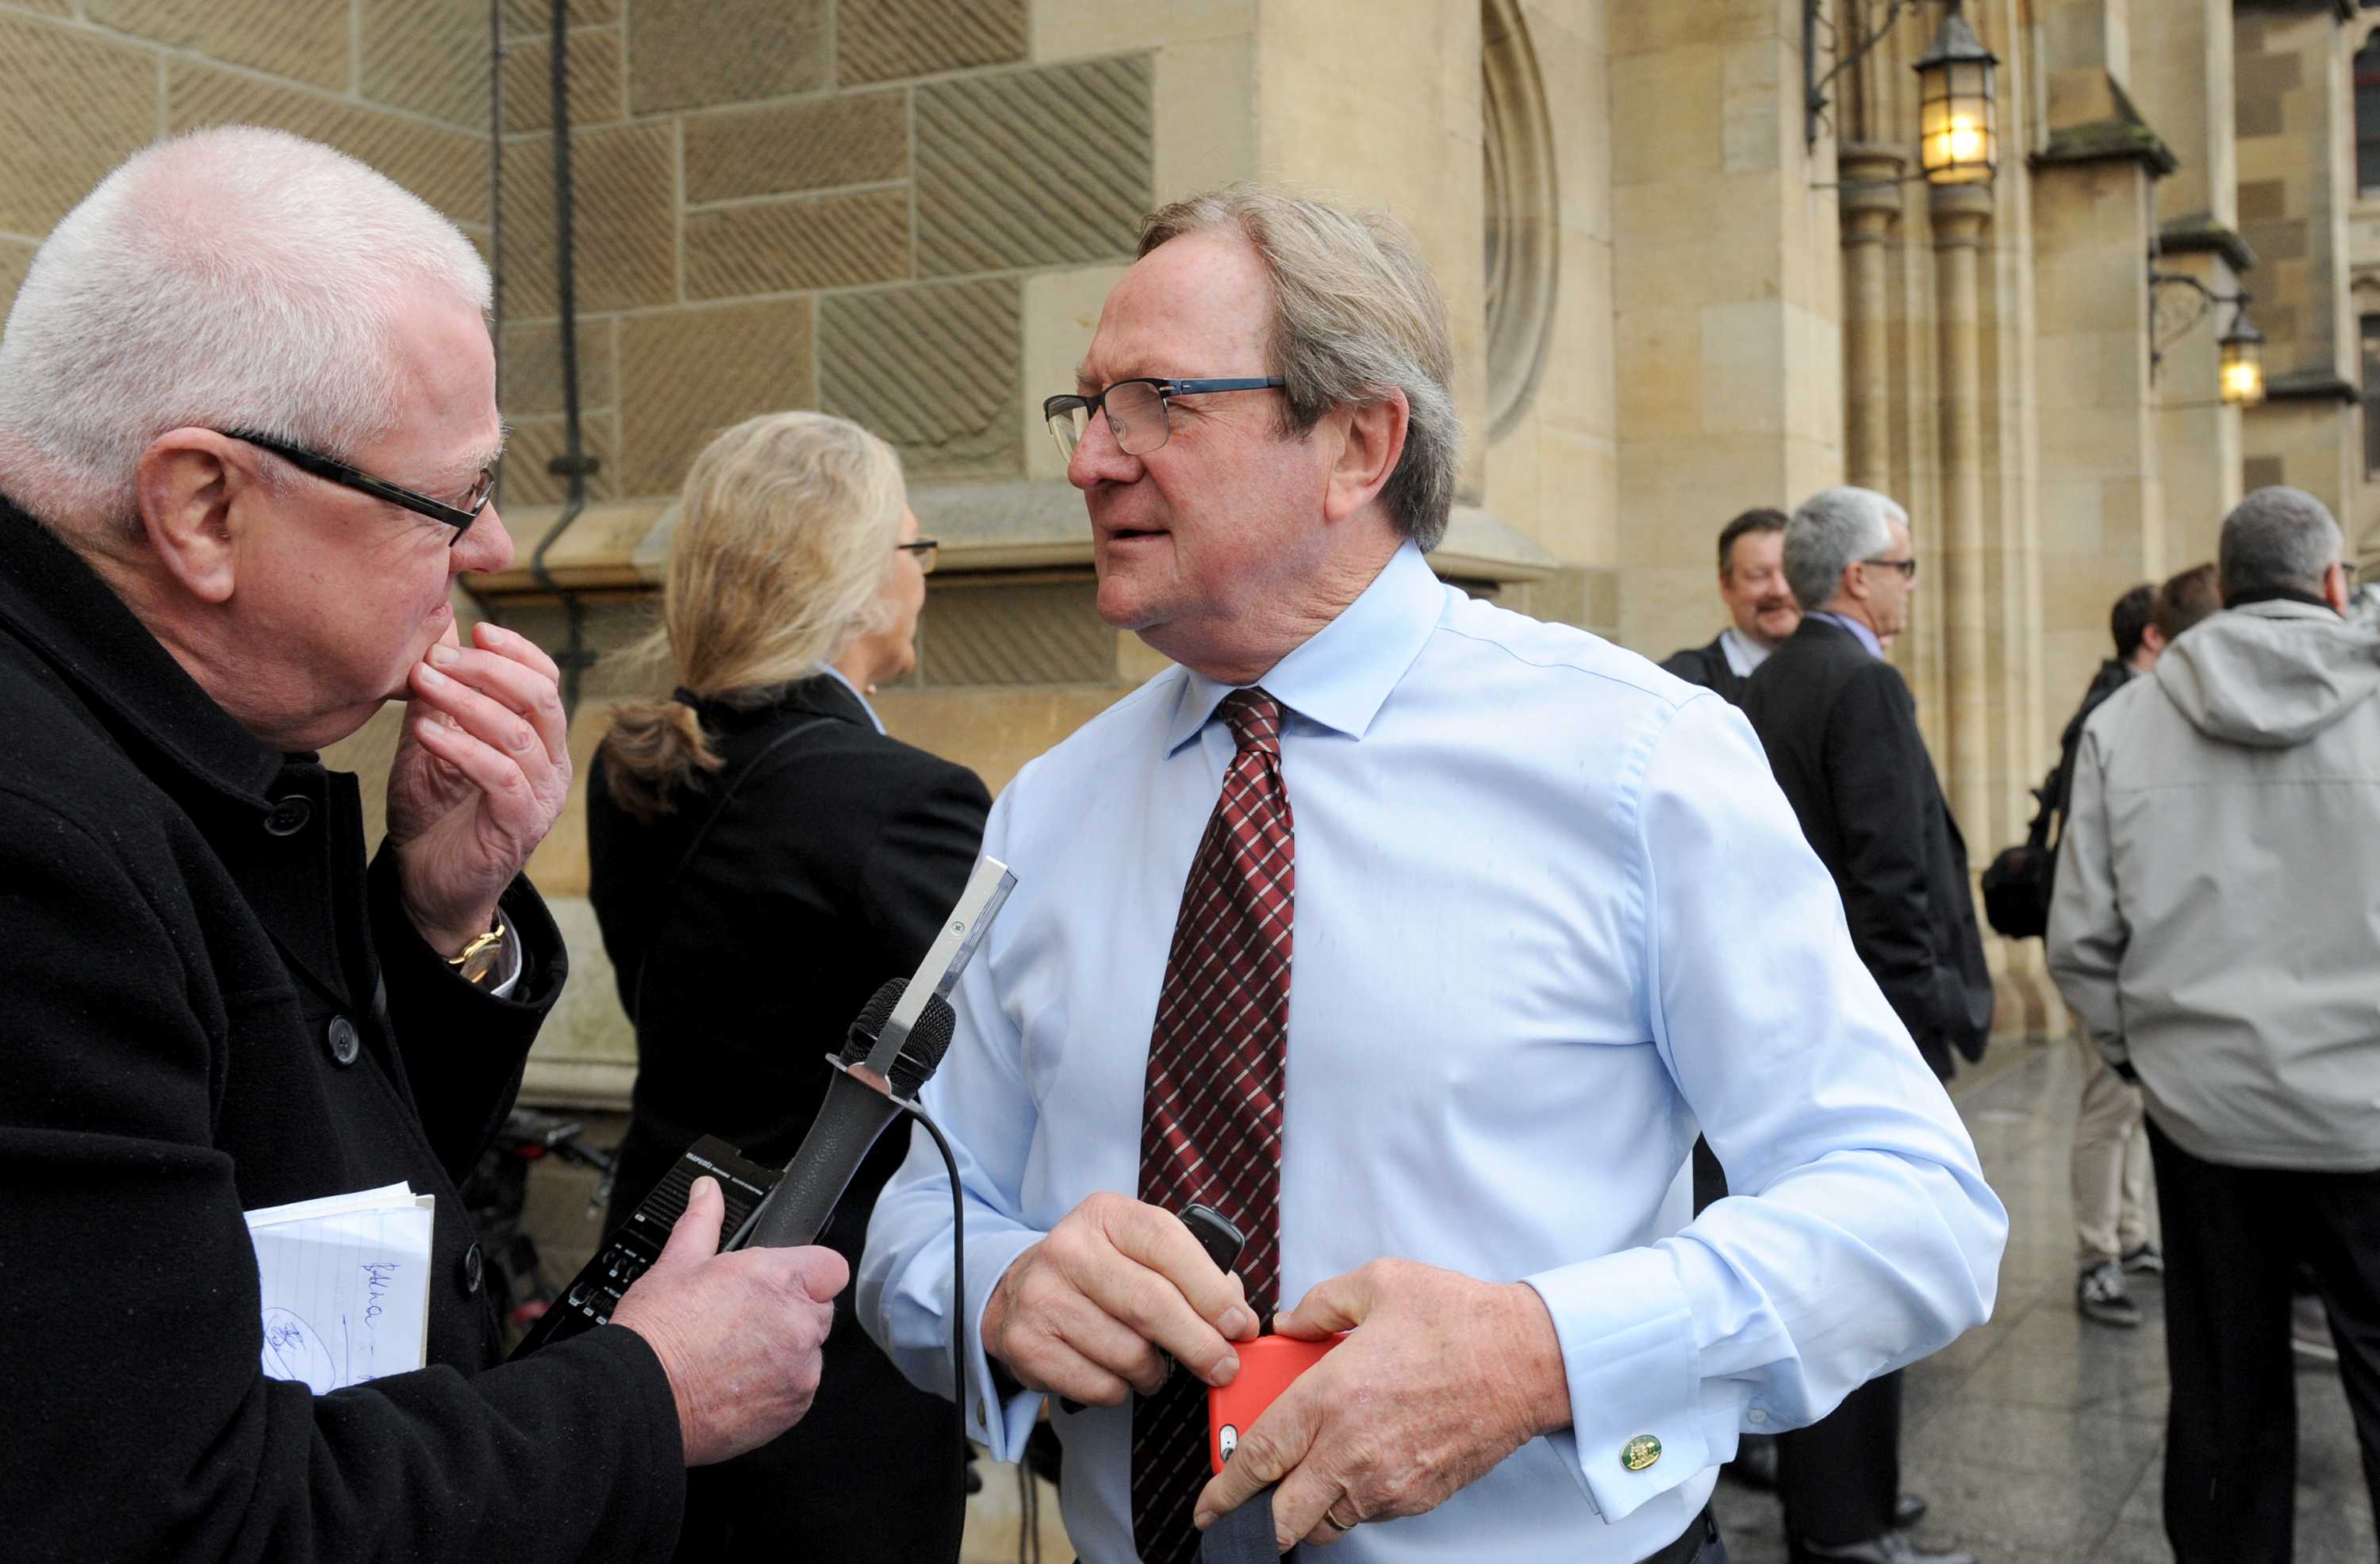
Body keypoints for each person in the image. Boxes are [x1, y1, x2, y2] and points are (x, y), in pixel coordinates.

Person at [859, 186, 2006, 1564]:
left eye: (1157, 400)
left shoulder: (1636, 760)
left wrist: (1541, 1354)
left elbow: (1915, 1206)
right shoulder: (1047, 812)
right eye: (1088, 404)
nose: (1093, 460)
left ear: (1357, 443)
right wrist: (996, 1290)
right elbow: (923, 1208)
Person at [0, 128, 843, 1562]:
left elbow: (285, 1201)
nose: (499, 546)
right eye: (450, 497)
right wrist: (644, 1395)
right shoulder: (40, 846)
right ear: (203, 507)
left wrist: (438, 917)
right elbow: (179, 1517)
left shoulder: (153, 741)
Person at [586, 411, 988, 1561]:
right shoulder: (899, 799)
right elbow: (1003, 1059)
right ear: (859, 586)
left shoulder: (640, 760)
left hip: (658, 1277)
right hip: (827, 1341)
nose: (923, 581)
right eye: (912, 551)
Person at [2048, 487, 2380, 1564]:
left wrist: (2150, 1059)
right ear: (2334, 583)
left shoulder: (2123, 720)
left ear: (2224, 588)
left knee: (2225, 1401)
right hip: (2368, 1115)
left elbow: (2081, 940)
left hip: (2205, 1117)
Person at [1740, 487, 1994, 1564]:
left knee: (1814, 1267)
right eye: (1903, 565)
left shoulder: (1774, 680)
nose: (1910, 584)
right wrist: (1917, 1041)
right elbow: (1896, 881)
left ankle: (1845, 1500)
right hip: (1864, 1033)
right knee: (1866, 1264)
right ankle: (1848, 1525)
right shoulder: (1860, 680)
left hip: (1786, 1029)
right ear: (1857, 579)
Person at [2050, 583, 2163, 1328]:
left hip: (2125, 942)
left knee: (2126, 1105)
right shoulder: (2117, 713)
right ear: (2154, 638)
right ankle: (2098, 1258)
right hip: (2109, 947)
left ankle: (2128, 1234)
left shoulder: (2119, 701)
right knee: (2107, 1102)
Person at [1660, 507, 1799, 705]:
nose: (1779, 590)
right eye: (1758, 576)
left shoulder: (1841, 674)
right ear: (1726, 586)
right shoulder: (1682, 684)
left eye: (1790, 572)